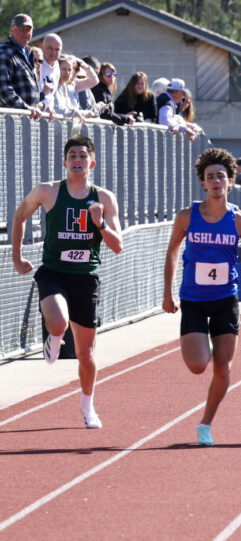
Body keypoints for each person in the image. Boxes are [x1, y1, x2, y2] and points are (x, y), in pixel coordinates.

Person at [10, 134, 124, 428]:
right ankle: (54, 336)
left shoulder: (104, 198)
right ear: (64, 162)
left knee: (86, 355)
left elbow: (117, 245)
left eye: (83, 156)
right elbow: (20, 216)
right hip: (54, 272)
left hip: (86, 278)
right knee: (59, 321)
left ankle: (88, 407)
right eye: (72, 155)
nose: (77, 160)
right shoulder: (47, 192)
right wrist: (17, 258)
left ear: (92, 163)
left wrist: (98, 223)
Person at [162, 147, 241, 446]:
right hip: (192, 298)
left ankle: (205, 424)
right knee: (198, 365)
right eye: (210, 177)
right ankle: (197, 344)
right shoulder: (186, 216)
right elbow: (173, 252)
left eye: (221, 176)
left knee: (221, 366)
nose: (216, 181)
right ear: (203, 183)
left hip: (225, 300)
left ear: (230, 181)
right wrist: (167, 293)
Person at [0, 14, 43, 118]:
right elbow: (2, 88)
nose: (25, 33)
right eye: (21, 29)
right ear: (12, 29)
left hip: (27, 119)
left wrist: (34, 108)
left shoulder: (29, 53)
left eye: (28, 29)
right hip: (9, 120)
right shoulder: (4, 52)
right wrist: (25, 108)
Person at [38, 33, 62, 111]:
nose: (54, 52)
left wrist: (49, 108)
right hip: (34, 111)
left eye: (57, 49)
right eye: (50, 48)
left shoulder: (57, 68)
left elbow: (51, 95)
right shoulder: (37, 64)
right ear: (42, 48)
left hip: (45, 115)